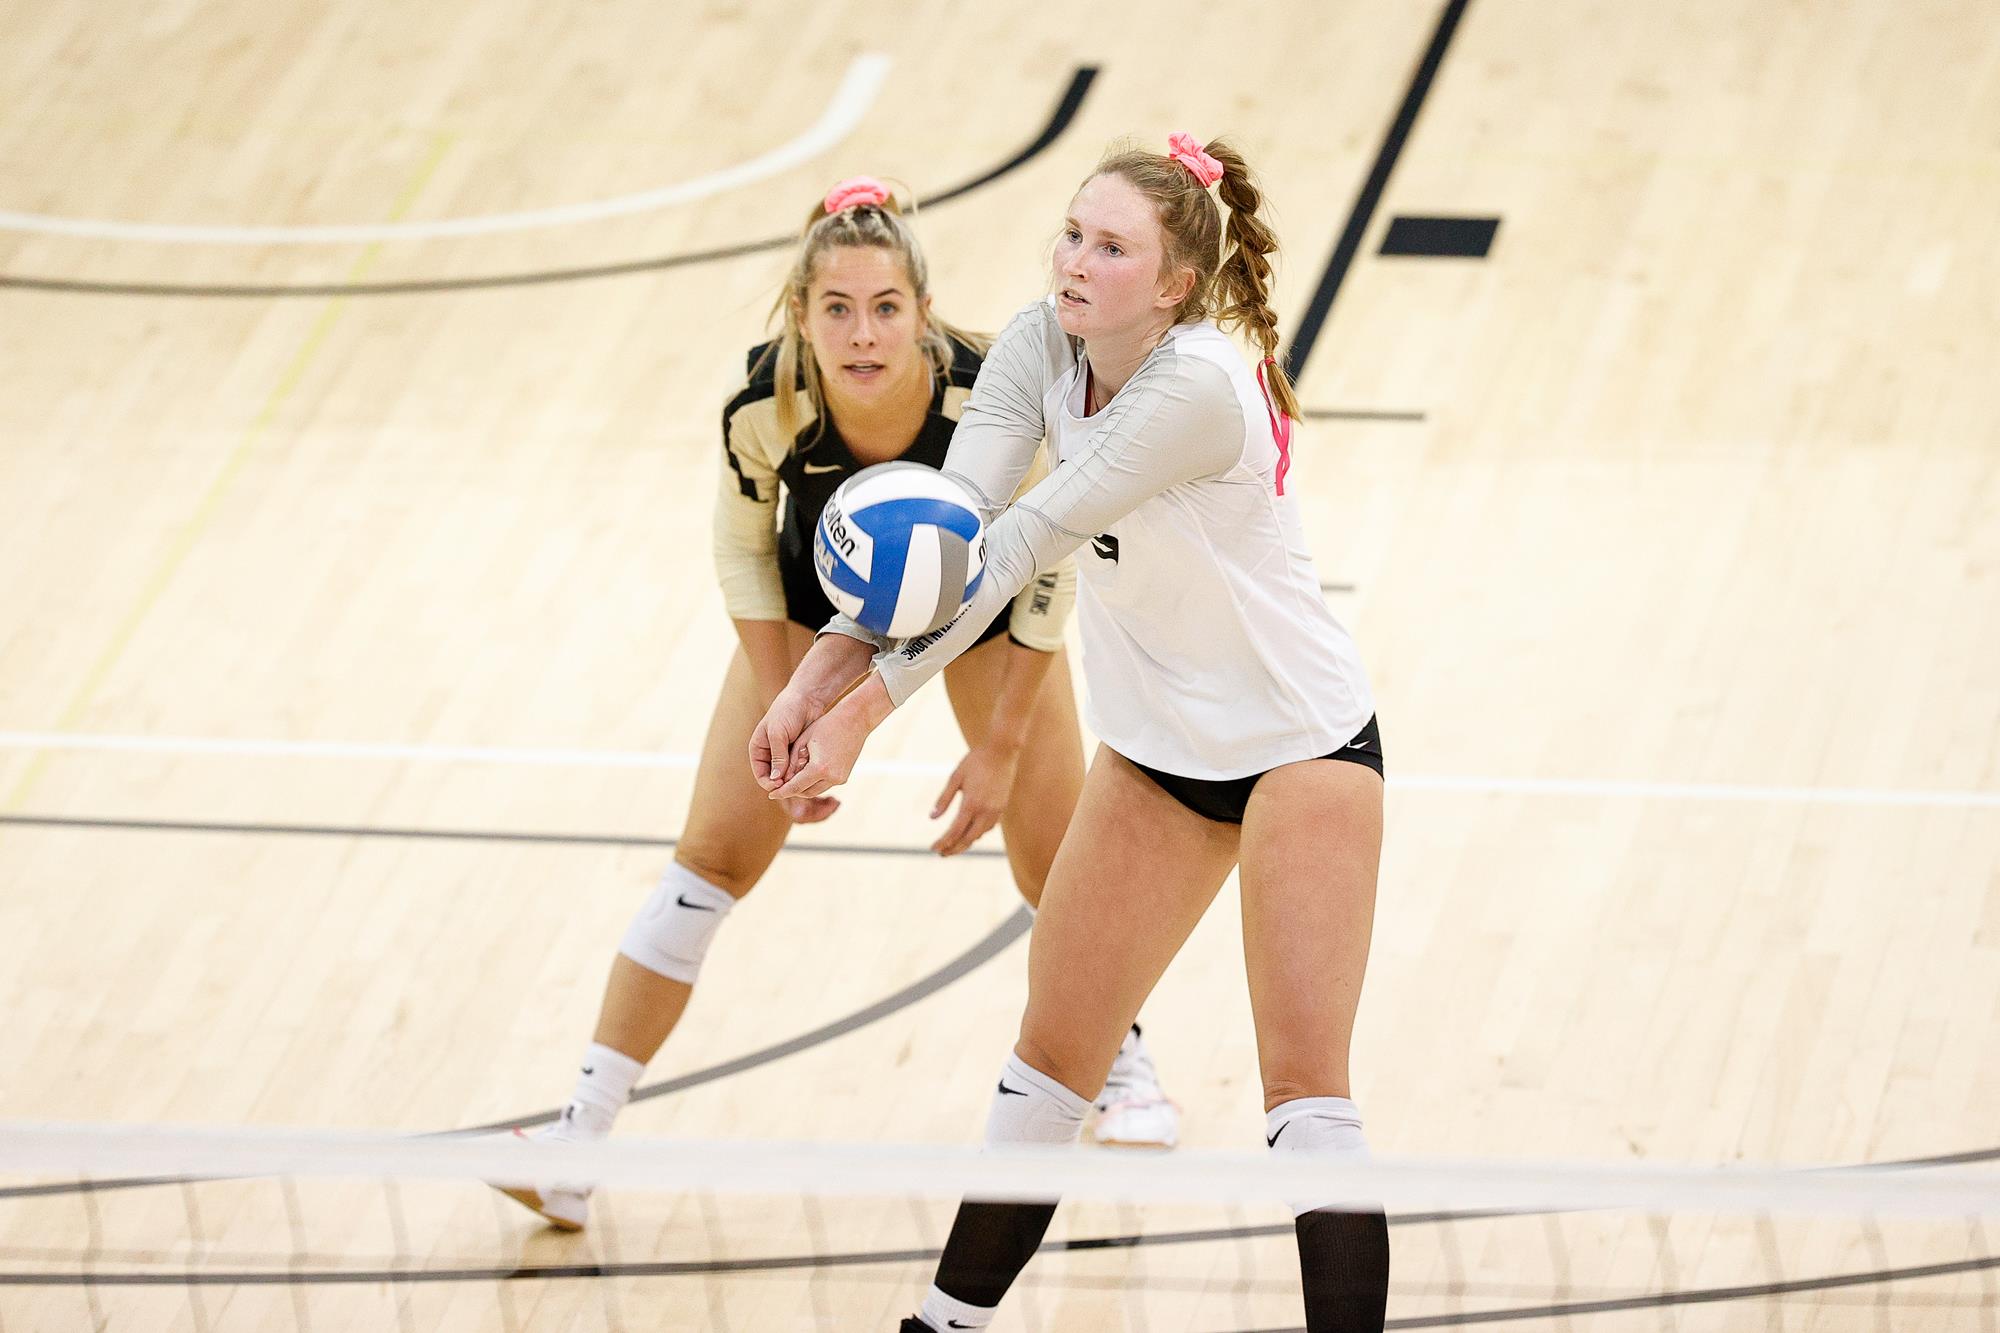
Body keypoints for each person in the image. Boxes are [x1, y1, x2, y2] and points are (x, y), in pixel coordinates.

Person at [752, 137, 1392, 1330]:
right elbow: (945, 536)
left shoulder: (1195, 388)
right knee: (1049, 1061)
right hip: (1155, 757)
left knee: (1303, 1097)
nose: (1073, 261)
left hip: (1299, 751)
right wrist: (808, 683)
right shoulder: (1037, 346)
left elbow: (1016, 549)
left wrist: (853, 723)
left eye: (1109, 247)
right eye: (1069, 232)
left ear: (1170, 286)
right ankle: (942, 1326)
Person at [498, 176, 1180, 1233]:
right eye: (835, 309)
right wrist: (786, 708)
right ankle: (576, 1143)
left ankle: (1124, 1068)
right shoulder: (764, 405)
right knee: (709, 861)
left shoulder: (989, 395)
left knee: (1056, 861)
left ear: (920, 307)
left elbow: (1049, 565)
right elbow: (740, 553)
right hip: (820, 616)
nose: (862, 334)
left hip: (984, 610)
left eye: (885, 307)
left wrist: (999, 744)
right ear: (799, 314)